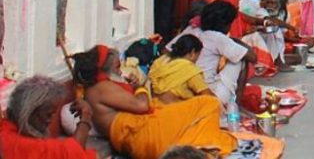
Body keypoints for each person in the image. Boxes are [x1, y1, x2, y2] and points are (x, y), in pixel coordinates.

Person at [73, 45, 239, 159]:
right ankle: (201, 145)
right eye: (117, 66)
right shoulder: (101, 87)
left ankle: (199, 145)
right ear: (106, 68)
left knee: (194, 111)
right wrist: (140, 88)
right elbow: (141, 105)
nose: (120, 70)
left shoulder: (99, 87)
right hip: (140, 134)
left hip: (137, 131)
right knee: (207, 103)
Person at [1, 74, 96, 159]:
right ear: (29, 112)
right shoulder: (12, 142)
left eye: (54, 113)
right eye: (49, 114)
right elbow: (73, 152)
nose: (51, 119)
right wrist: (86, 117)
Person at [187, 0, 255, 107]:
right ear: (225, 24)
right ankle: (235, 107)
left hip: (186, 91)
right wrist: (236, 40)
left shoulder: (191, 29)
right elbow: (253, 57)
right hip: (210, 95)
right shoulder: (218, 37)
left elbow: (166, 50)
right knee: (241, 59)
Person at [148, 35, 210, 104]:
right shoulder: (189, 68)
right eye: (198, 55)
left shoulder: (160, 61)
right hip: (177, 110)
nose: (197, 59)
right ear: (192, 52)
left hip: (155, 108)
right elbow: (208, 95)